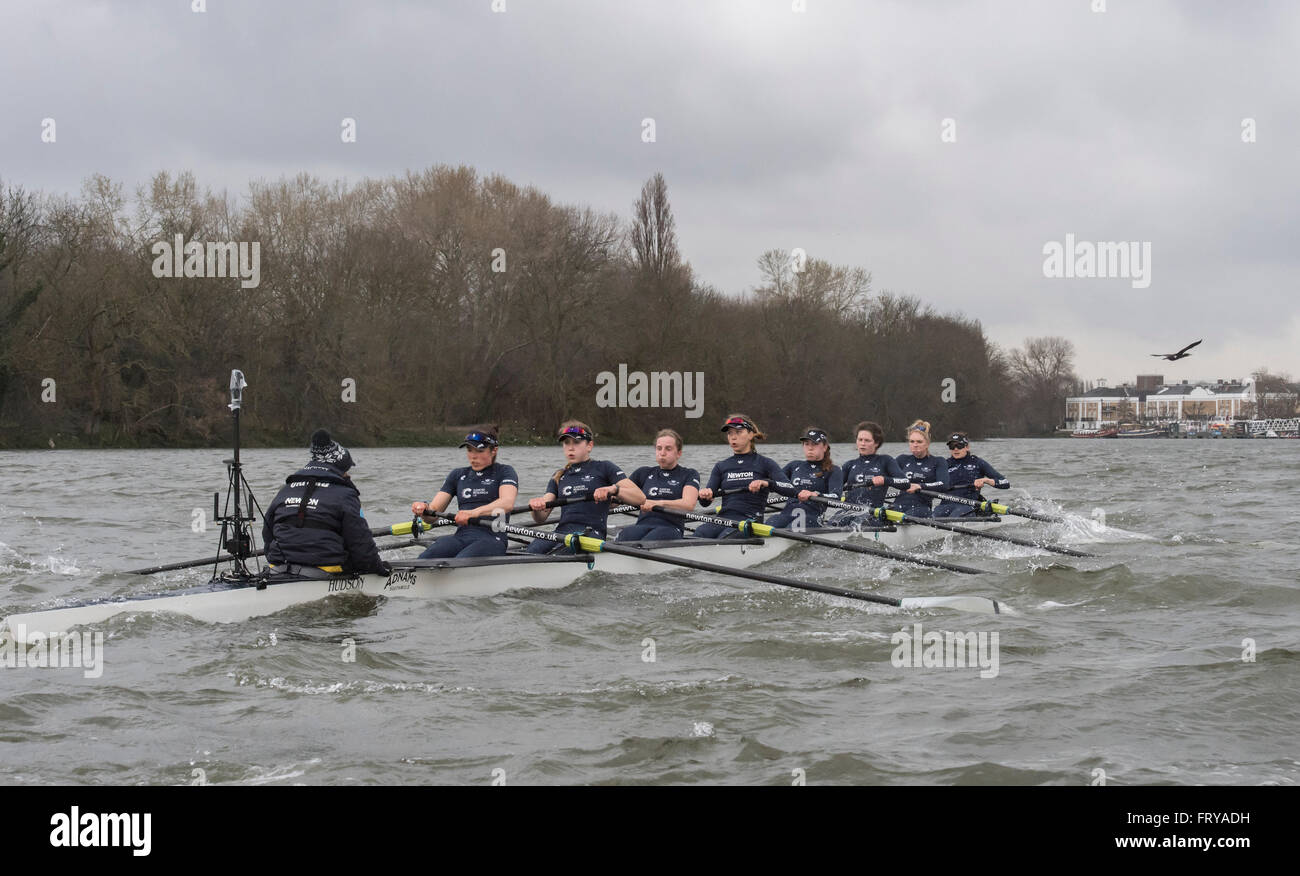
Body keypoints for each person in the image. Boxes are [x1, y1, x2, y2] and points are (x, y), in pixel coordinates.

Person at [262, 429, 390, 578]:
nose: (347, 475)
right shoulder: (345, 494)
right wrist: (379, 570)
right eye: (346, 470)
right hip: (323, 572)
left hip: (278, 569)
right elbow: (360, 544)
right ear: (339, 468)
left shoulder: (286, 490)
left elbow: (267, 534)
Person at [526, 421, 646, 554]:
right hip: (561, 533)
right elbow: (540, 518)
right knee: (529, 552)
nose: (570, 448)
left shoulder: (604, 468)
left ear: (589, 445)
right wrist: (536, 506)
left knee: (561, 554)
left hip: (591, 534)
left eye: (576, 442)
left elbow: (640, 498)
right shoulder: (558, 476)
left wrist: (614, 490)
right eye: (566, 443)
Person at [410, 426, 519, 557]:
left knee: (459, 562)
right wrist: (423, 509)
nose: (473, 456)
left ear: (494, 450)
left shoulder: (504, 471)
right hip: (461, 537)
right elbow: (432, 515)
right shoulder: (457, 475)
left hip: (492, 539)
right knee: (426, 557)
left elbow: (507, 503)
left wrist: (473, 513)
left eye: (479, 451)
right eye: (469, 450)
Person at [694, 414, 796, 539]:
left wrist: (767, 483)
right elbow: (704, 503)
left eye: (738, 432)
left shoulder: (765, 463)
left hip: (749, 522)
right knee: (699, 534)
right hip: (723, 519)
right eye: (730, 433)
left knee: (724, 539)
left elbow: (791, 490)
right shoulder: (721, 466)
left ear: (751, 434)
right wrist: (705, 495)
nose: (733, 437)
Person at [615, 429, 700, 542]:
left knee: (647, 542)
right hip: (642, 525)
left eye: (668, 449)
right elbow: (618, 496)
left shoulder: (689, 474)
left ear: (679, 453)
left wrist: (658, 503)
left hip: (670, 528)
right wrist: (609, 494)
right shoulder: (643, 473)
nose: (662, 453)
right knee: (624, 536)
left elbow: (689, 504)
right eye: (659, 448)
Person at [830, 420, 910, 527]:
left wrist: (884, 480)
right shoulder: (849, 465)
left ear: (876, 443)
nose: (862, 443)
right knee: (832, 523)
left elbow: (906, 483)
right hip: (848, 511)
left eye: (867, 440)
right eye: (860, 440)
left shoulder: (885, 461)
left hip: (872, 513)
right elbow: (835, 490)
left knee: (857, 523)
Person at [766, 427, 843, 529]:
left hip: (812, 517)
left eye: (814, 444)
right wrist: (763, 482)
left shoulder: (833, 470)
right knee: (771, 522)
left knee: (793, 527)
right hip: (787, 514)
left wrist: (815, 494)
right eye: (807, 444)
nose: (810, 448)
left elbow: (836, 497)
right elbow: (773, 483)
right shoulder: (794, 466)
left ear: (824, 447)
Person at [933, 432, 1010, 517]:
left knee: (955, 517)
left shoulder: (978, 463)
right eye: (952, 446)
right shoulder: (944, 465)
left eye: (959, 446)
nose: (955, 449)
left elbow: (1005, 483)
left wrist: (986, 480)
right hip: (945, 505)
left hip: (968, 505)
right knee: (934, 517)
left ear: (967, 447)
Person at [891, 420, 950, 518]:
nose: (915, 444)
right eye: (912, 441)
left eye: (919, 442)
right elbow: (884, 476)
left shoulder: (938, 461)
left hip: (921, 508)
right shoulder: (902, 460)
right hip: (898, 505)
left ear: (927, 443)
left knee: (905, 517)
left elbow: (944, 485)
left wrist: (920, 486)